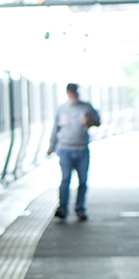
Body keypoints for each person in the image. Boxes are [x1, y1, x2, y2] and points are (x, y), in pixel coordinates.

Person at [47, 82, 101, 221]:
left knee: (82, 181)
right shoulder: (61, 109)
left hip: (82, 149)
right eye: (71, 91)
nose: (73, 93)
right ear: (67, 92)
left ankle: (80, 209)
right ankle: (62, 208)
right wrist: (51, 146)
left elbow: (98, 122)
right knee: (65, 180)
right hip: (65, 149)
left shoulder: (86, 107)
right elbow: (55, 128)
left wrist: (88, 122)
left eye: (75, 91)